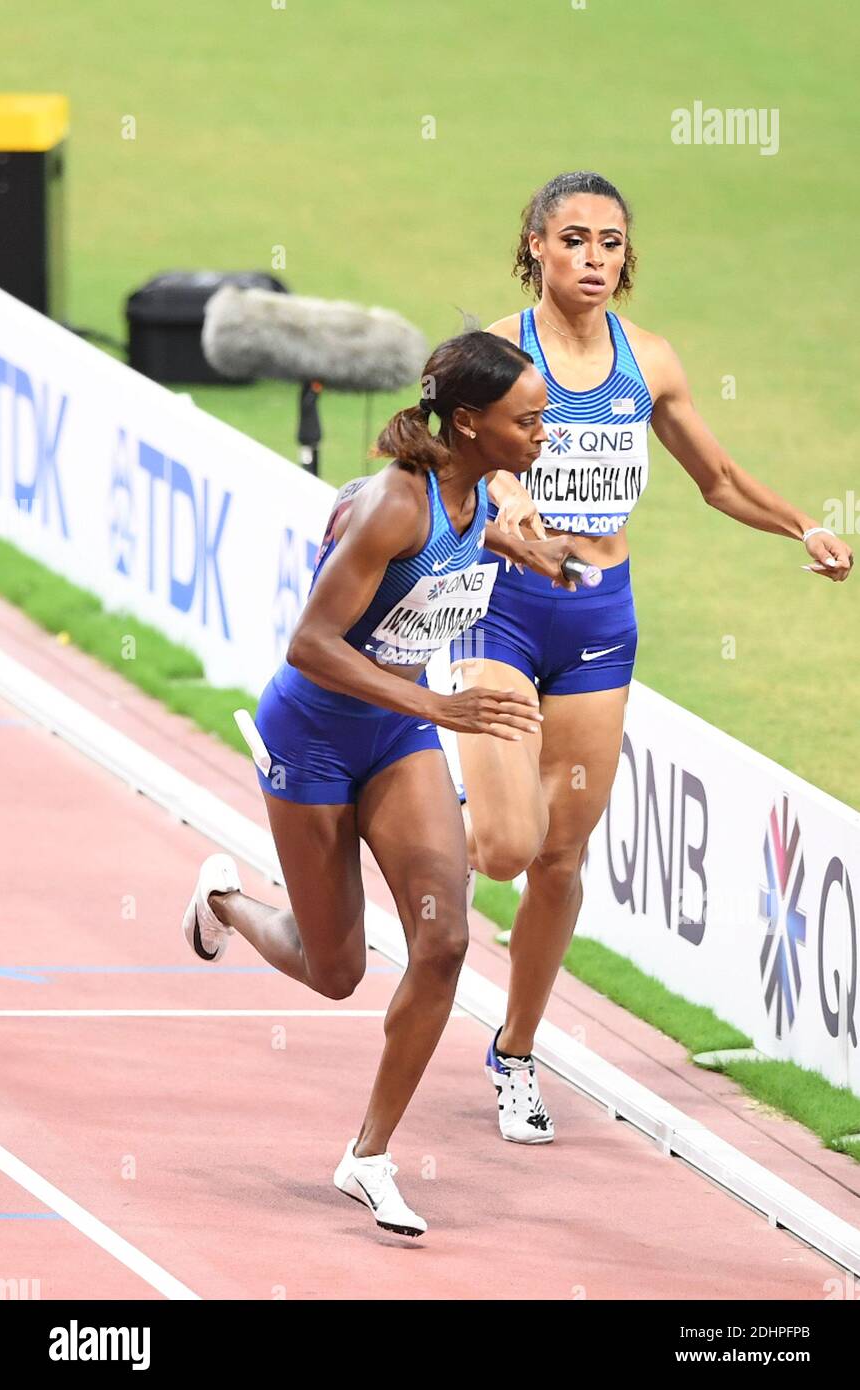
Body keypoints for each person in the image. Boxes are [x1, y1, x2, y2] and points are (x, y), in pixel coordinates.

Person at [451, 170, 854, 1144]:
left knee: (556, 859)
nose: (595, 258)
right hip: (503, 612)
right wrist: (503, 502)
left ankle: (515, 1051)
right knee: (503, 847)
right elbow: (450, 462)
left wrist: (803, 524)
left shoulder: (652, 363)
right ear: (535, 248)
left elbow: (714, 478)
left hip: (598, 626)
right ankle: (439, 793)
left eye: (612, 243)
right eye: (575, 239)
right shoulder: (498, 355)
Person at [181, 330, 554, 1237]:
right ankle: (224, 899)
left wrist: (516, 547)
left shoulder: (475, 496)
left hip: (392, 734)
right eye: (527, 419)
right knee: (336, 969)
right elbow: (309, 645)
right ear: (467, 422)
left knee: (444, 943)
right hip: (309, 738)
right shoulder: (395, 504)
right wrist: (439, 706)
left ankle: (369, 1155)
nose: (543, 433)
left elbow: (451, 554)